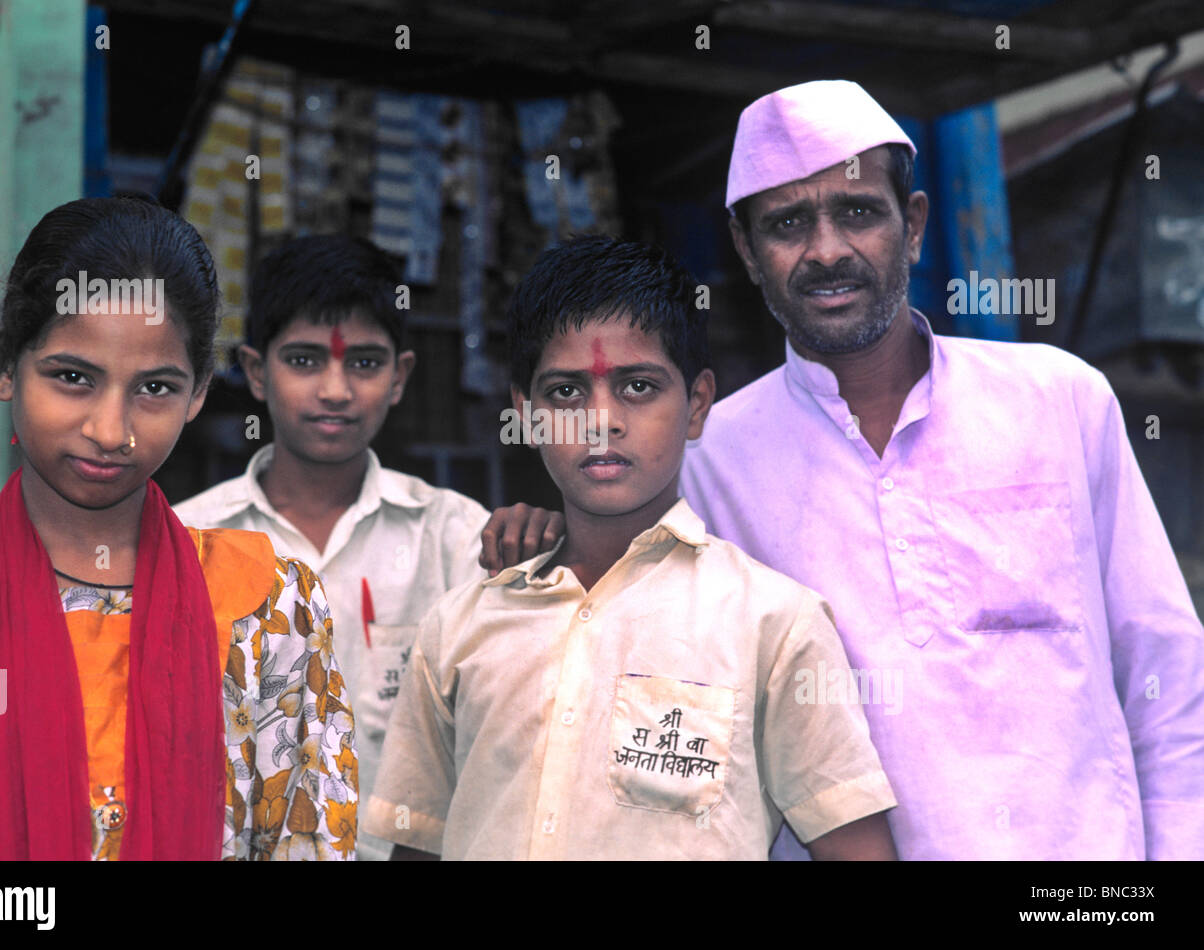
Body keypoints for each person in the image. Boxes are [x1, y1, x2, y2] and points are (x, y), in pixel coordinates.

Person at [483, 80, 1204, 860]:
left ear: (913, 225)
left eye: (857, 211)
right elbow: (648, 679)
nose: (826, 250)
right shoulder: (705, 459)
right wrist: (547, 540)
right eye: (788, 223)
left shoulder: (1059, 399)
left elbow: (1168, 673)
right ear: (747, 252)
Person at [367, 235, 900, 860]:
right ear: (526, 413)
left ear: (696, 405)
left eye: (639, 387)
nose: (601, 420)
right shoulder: (461, 625)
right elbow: (417, 844)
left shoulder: (772, 625)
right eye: (566, 392)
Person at [0, 196, 357, 861]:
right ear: (5, 365)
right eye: (72, 377)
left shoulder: (270, 608)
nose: (111, 430)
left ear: (198, 393)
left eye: (155, 389)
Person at [173, 235, 488, 860]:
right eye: (305, 360)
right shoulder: (189, 542)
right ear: (256, 372)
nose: (336, 390)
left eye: (365, 363)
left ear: (400, 377)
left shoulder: (455, 538)